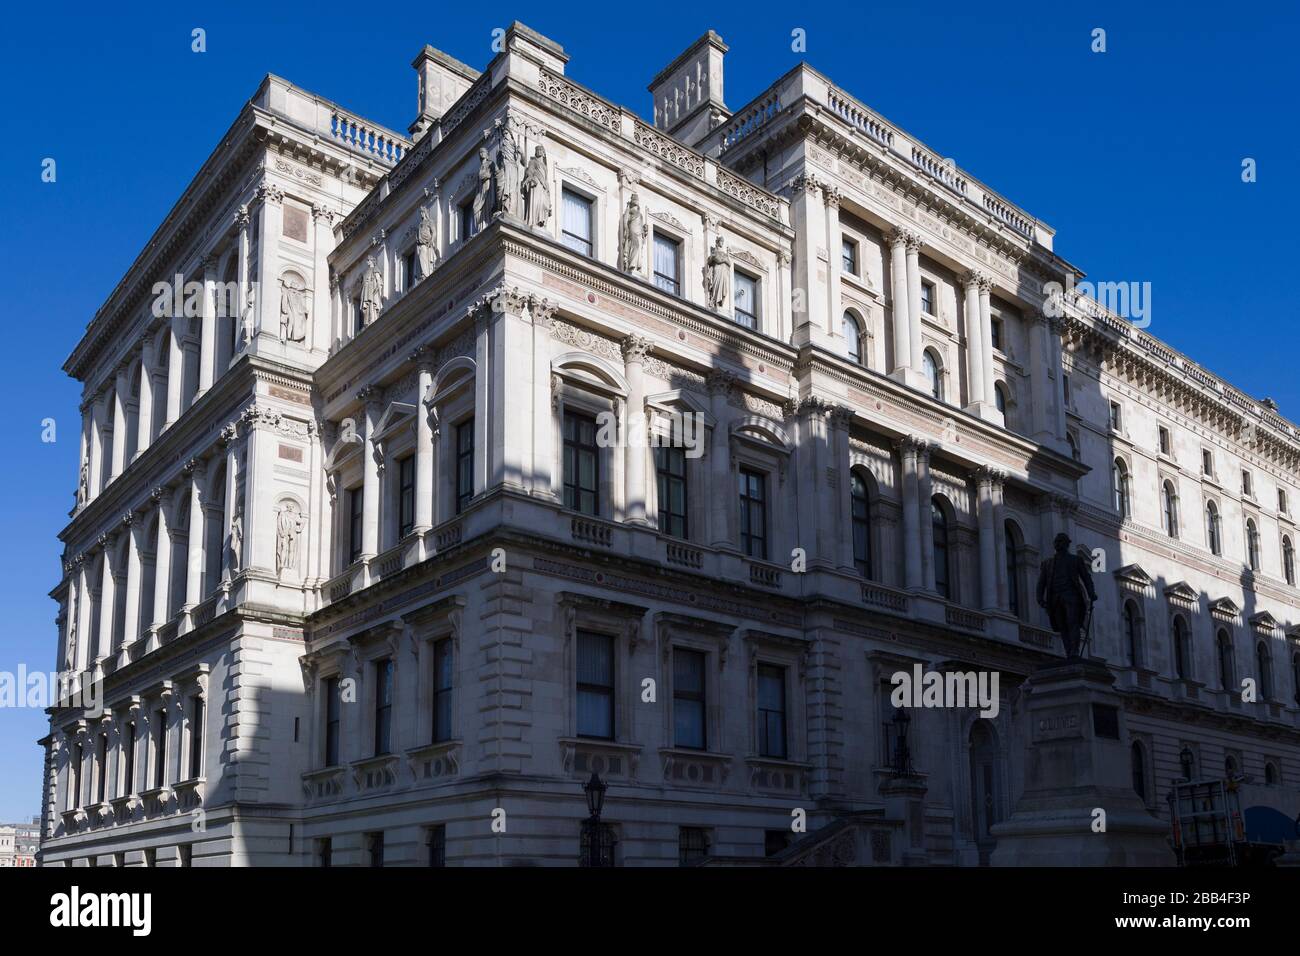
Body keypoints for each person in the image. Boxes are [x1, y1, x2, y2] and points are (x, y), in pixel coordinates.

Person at [1035, 532, 1097, 658]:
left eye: (1061, 541)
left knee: (1072, 623)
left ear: (1067, 544)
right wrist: (1040, 598)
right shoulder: (1048, 563)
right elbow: (1041, 583)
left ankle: (1074, 651)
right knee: (1062, 626)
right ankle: (1069, 651)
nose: (1058, 544)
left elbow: (1086, 577)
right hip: (1055, 598)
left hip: (1071, 596)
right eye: (1056, 542)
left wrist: (1091, 593)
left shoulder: (1076, 560)